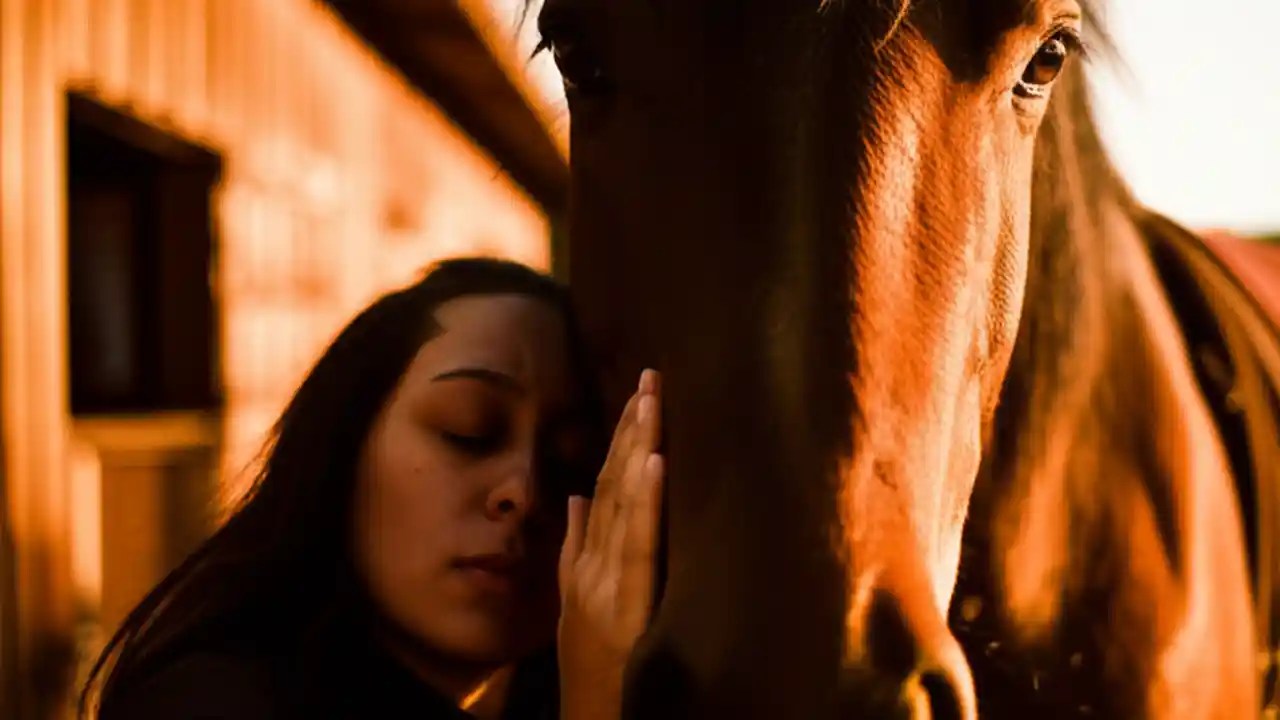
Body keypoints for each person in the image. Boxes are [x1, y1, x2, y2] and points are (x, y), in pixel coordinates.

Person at [80, 257, 665, 719]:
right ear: (345, 445)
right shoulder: (212, 703)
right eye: (468, 431)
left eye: (571, 465)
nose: (525, 492)